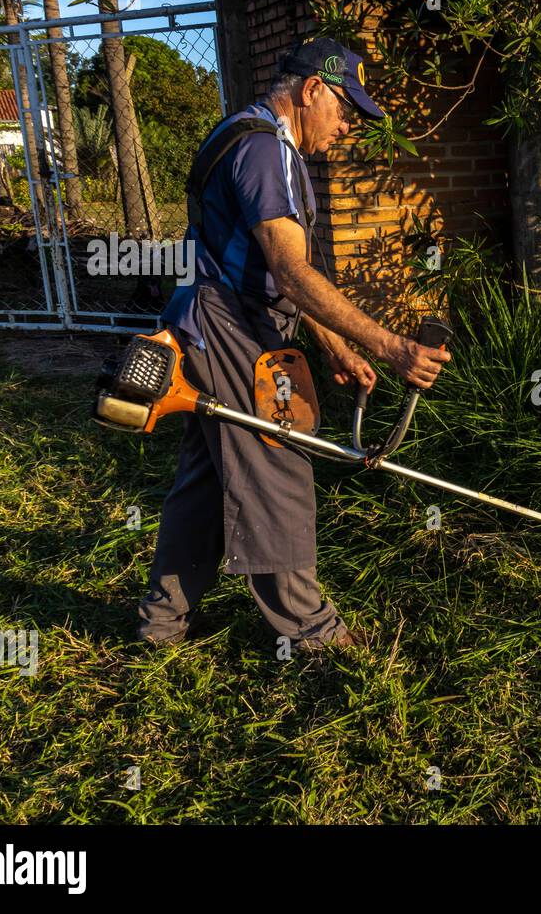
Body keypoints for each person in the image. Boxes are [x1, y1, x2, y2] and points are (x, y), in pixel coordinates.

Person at [136, 38, 450, 652]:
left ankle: (162, 622)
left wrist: (333, 346)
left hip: (212, 319)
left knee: (206, 481)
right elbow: (291, 272)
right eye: (344, 110)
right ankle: (312, 635)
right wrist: (391, 347)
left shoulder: (258, 140)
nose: (346, 128)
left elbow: (279, 276)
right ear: (312, 91)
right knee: (276, 464)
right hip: (229, 325)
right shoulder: (262, 149)